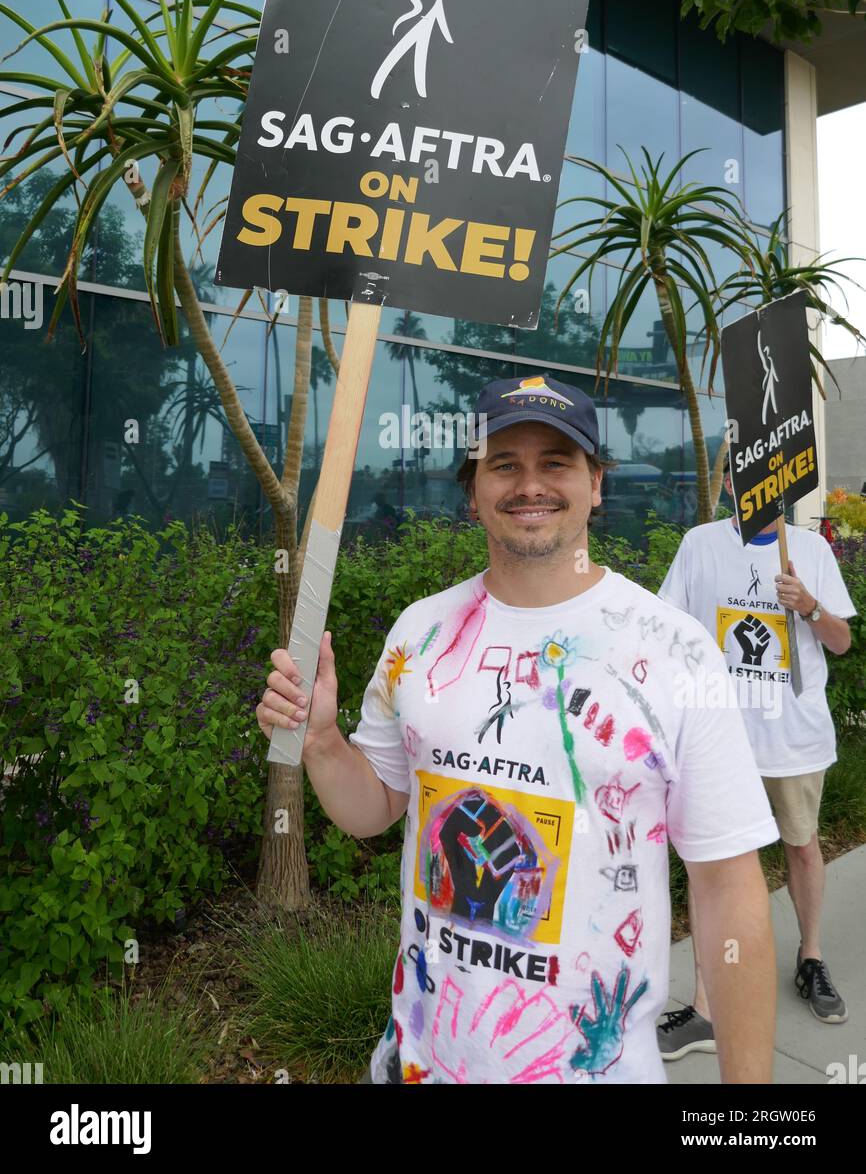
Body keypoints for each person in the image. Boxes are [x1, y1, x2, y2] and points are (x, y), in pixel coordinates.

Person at [256, 375, 779, 1084]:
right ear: (473, 492)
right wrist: (320, 741)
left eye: (556, 462)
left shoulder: (675, 652)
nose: (529, 484)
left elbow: (727, 889)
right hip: (419, 1064)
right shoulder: (422, 632)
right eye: (504, 464)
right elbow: (371, 811)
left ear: (596, 484)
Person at [656, 456, 856, 1061]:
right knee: (713, 866)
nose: (753, 491)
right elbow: (668, 631)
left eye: (766, 481)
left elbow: (843, 643)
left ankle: (811, 958)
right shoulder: (700, 544)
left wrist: (811, 608)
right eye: (743, 480)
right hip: (718, 739)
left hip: (793, 738)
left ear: (784, 484)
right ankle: (706, 1009)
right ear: (733, 485)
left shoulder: (811, 552)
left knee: (801, 845)